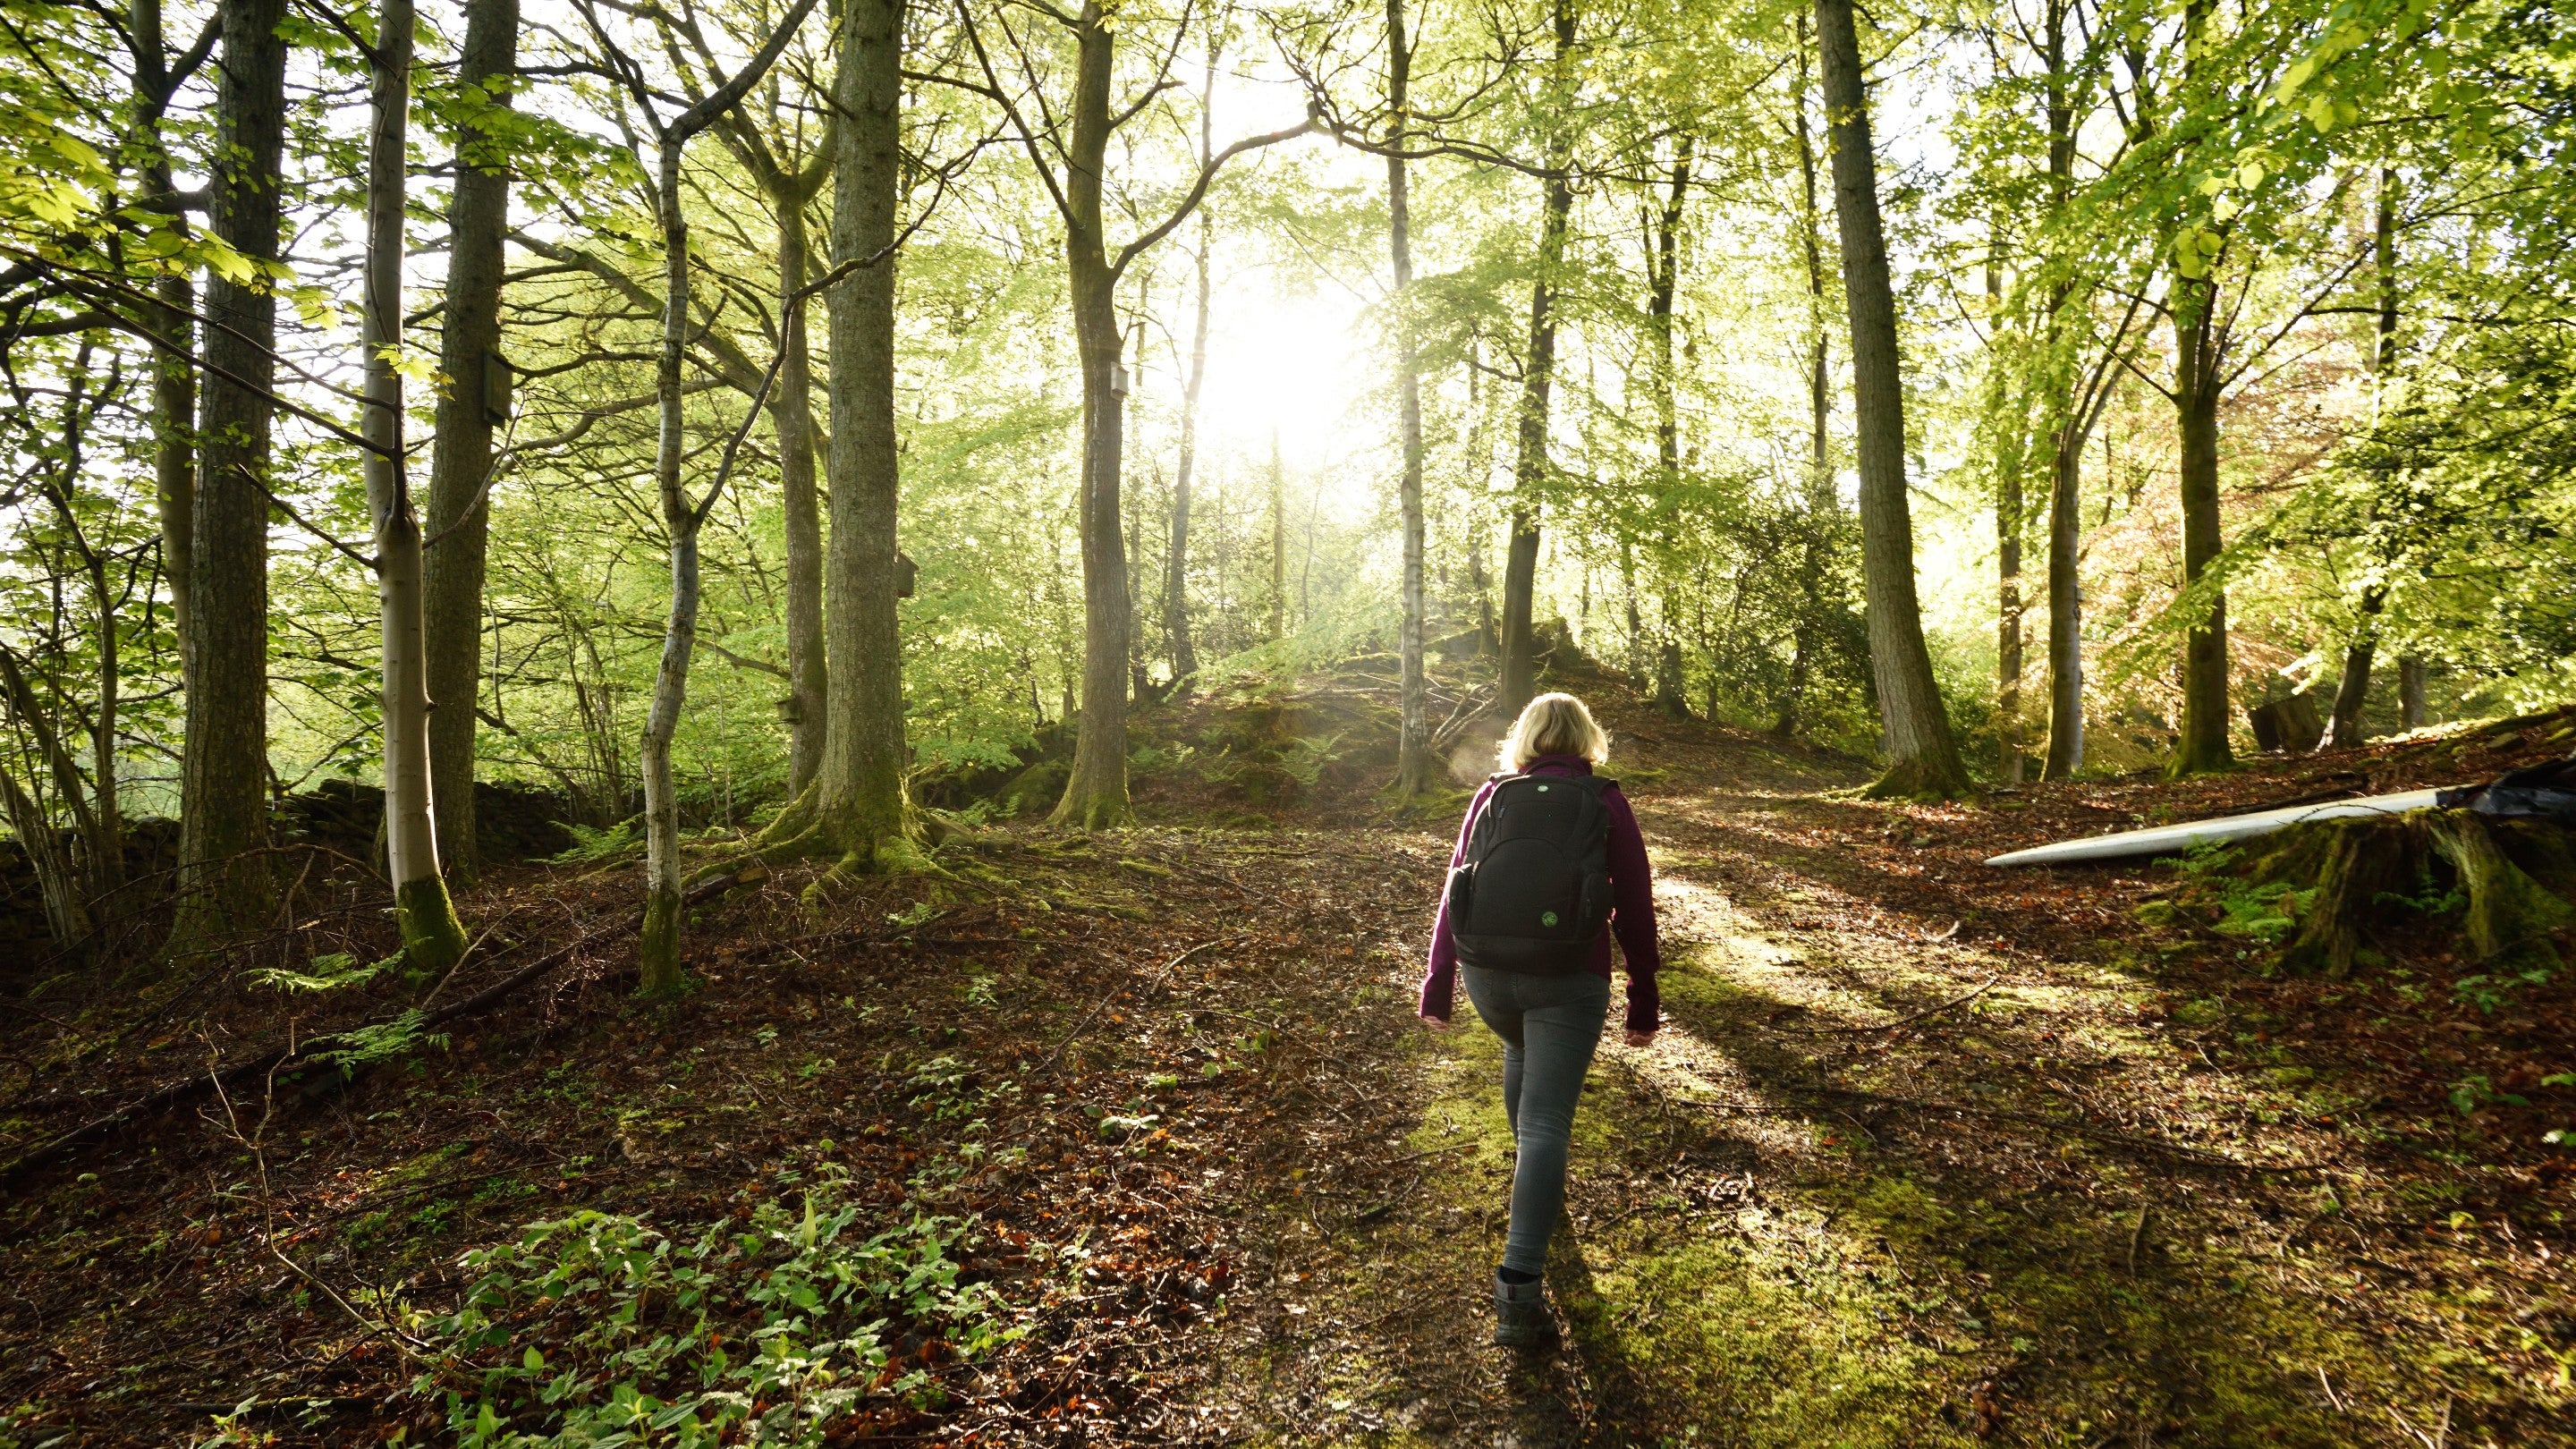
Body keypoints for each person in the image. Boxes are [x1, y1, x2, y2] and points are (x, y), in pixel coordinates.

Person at [1419, 691, 1661, 1346]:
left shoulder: (1494, 794)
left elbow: (1456, 889)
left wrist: (1437, 983)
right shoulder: (1605, 800)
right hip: (1569, 977)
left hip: (1487, 975)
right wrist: (1645, 997)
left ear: (1524, 738)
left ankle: (1537, 1189)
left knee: (1522, 1057)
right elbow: (1635, 904)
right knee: (1547, 1120)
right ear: (1586, 738)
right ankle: (1519, 1295)